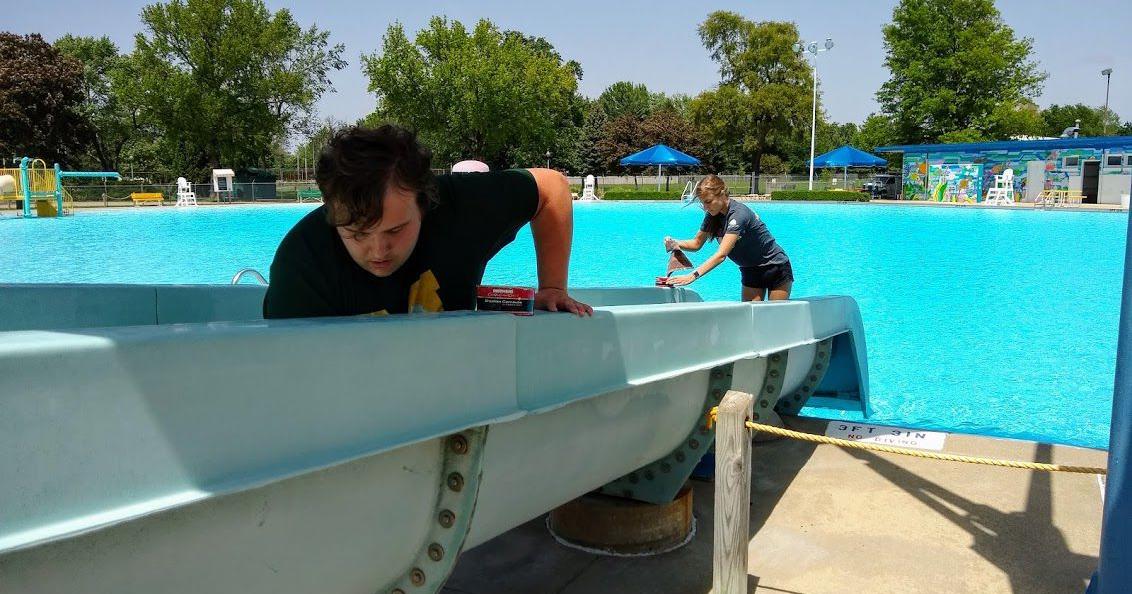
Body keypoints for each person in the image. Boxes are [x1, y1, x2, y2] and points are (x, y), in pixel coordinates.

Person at [264, 124, 592, 319]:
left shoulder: (462, 207)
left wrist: (553, 288)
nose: (378, 250)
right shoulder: (302, 265)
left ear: (426, 202)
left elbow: (551, 188)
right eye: (357, 234)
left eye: (395, 230)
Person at [663, 174, 793, 301]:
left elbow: (721, 255)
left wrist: (692, 276)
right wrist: (676, 243)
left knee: (775, 314)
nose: (705, 208)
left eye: (708, 202)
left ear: (722, 194)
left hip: (775, 267)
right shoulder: (712, 215)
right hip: (750, 270)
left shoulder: (738, 214)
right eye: (703, 203)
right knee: (749, 313)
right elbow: (696, 243)